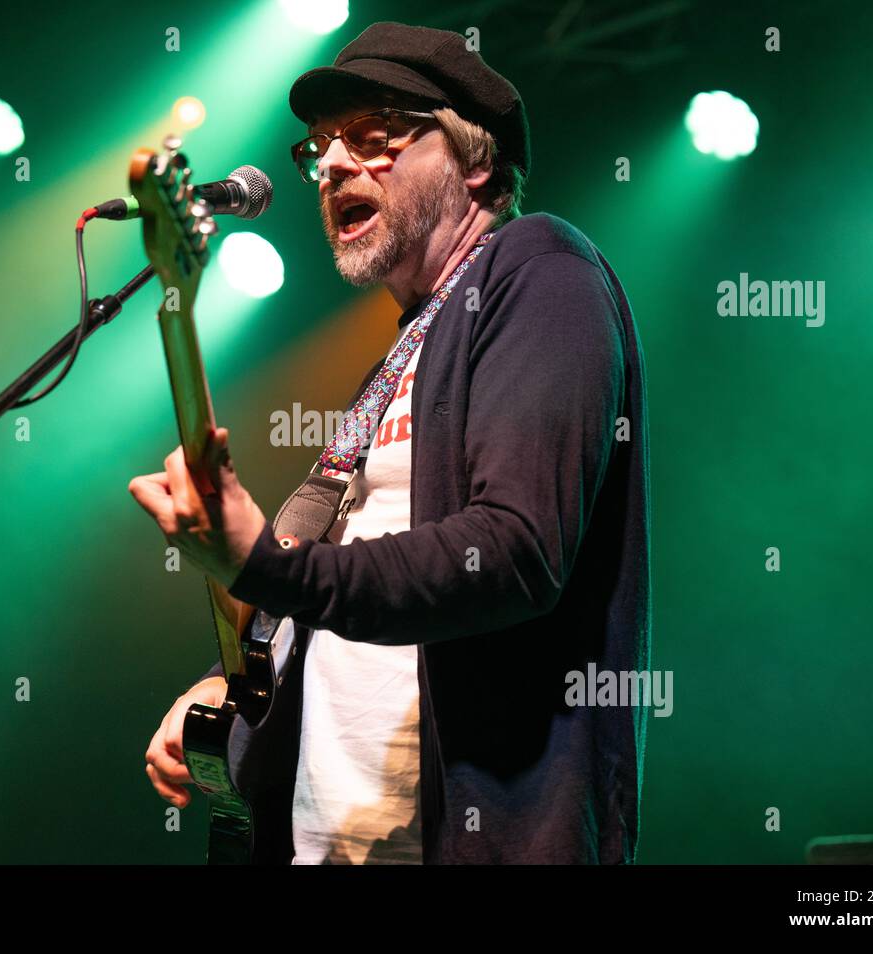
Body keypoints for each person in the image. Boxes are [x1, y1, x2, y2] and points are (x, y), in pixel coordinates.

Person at [129, 21, 651, 864]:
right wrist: (242, 683)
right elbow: (345, 590)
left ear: (474, 162)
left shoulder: (542, 269)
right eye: (320, 150)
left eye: (373, 140)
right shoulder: (403, 355)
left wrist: (270, 565)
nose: (332, 165)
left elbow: (516, 552)